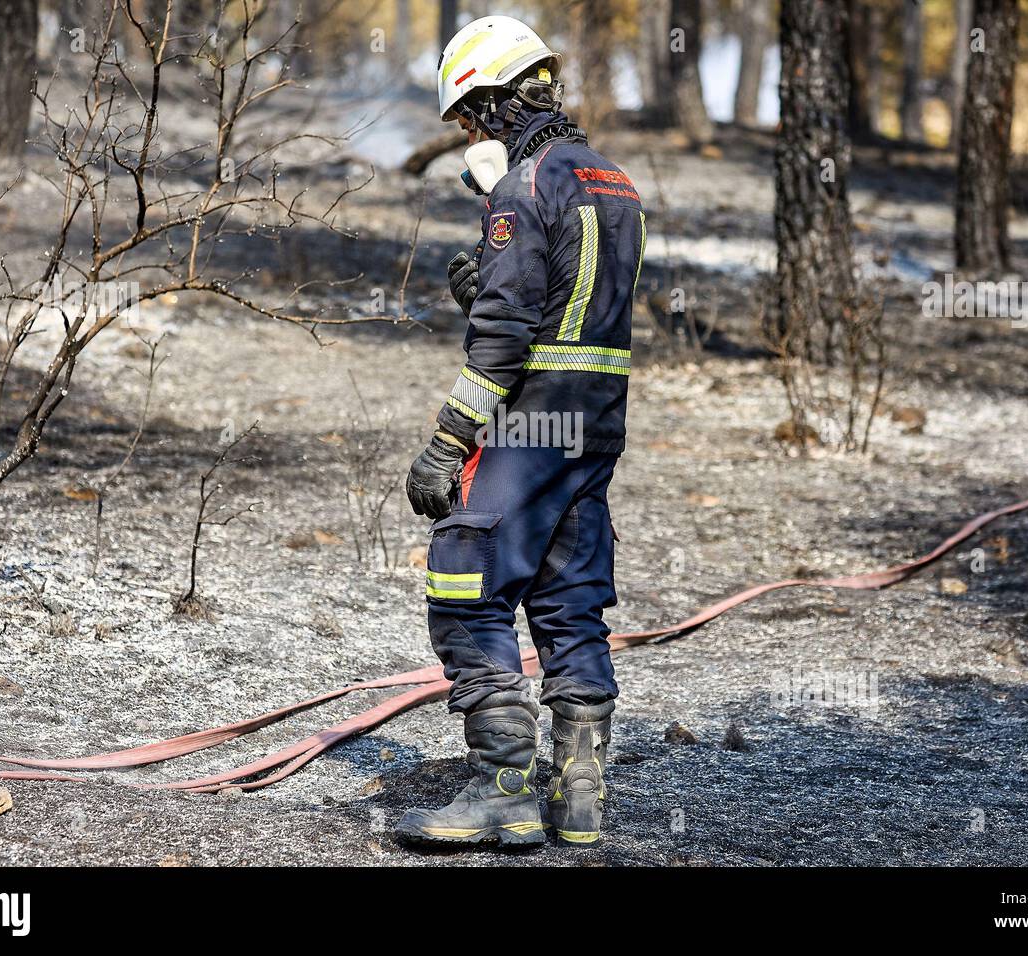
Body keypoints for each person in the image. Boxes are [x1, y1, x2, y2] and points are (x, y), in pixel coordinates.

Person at [395, 15, 646, 849]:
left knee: (465, 579)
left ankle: (499, 786)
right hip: (595, 425)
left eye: (470, 115)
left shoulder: (524, 187)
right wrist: (494, 287)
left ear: (499, 101)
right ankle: (580, 798)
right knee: (571, 598)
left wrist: (447, 441)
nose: (468, 132)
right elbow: (574, 310)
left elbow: (504, 342)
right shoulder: (614, 182)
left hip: (533, 423)